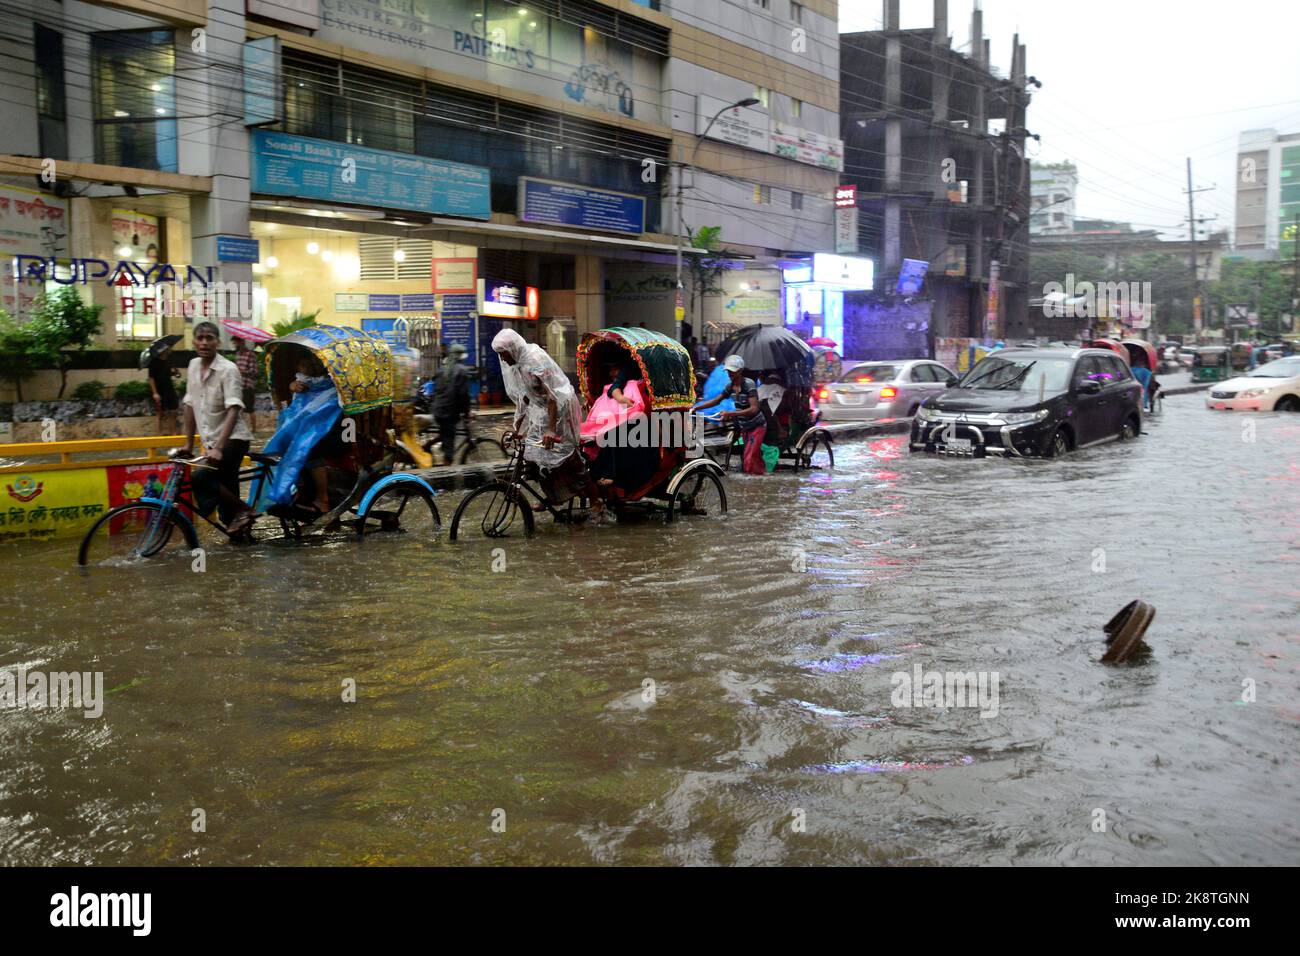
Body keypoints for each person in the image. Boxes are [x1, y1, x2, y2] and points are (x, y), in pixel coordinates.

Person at [492, 328, 609, 520]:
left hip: (562, 410)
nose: (503, 359)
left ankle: (596, 500)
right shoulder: (517, 366)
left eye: (504, 355)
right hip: (545, 411)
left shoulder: (534, 360)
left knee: (569, 459)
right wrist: (517, 429)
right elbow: (525, 399)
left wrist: (552, 430)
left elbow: (553, 396)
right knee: (533, 455)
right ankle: (554, 495)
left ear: (512, 349)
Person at [180, 321, 258, 536]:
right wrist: (188, 443)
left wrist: (219, 448)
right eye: (200, 338)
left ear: (218, 342)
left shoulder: (228, 369)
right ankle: (240, 536)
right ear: (194, 341)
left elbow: (234, 409)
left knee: (201, 477)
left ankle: (245, 510)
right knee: (226, 500)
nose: (205, 342)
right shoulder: (193, 365)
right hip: (212, 441)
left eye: (209, 338)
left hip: (233, 438)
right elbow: (189, 405)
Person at [695, 354, 767, 475]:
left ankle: (754, 485)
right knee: (752, 457)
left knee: (748, 460)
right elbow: (716, 400)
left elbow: (754, 409)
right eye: (728, 371)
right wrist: (696, 407)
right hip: (744, 426)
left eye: (732, 371)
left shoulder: (748, 385)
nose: (730, 374)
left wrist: (731, 413)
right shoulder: (730, 386)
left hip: (757, 426)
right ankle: (763, 477)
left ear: (740, 371)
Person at [432, 342, 472, 465]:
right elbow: (463, 395)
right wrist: (466, 413)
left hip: (438, 410)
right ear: (460, 356)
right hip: (449, 413)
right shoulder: (461, 371)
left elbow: (436, 389)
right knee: (449, 446)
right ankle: (446, 474)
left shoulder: (442, 369)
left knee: (445, 437)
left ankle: (441, 451)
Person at [147, 343, 179, 435]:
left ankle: (173, 433)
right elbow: (151, 378)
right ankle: (159, 435)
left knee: (174, 411)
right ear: (163, 349)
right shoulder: (154, 362)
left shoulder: (169, 360)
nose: (170, 349)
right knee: (160, 414)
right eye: (169, 347)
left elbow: (175, 374)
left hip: (169, 389)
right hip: (159, 390)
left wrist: (175, 372)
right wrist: (155, 393)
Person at [231, 335, 259, 433]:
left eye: (236, 342)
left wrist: (243, 371)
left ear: (241, 342)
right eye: (234, 343)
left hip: (248, 385)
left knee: (250, 409)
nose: (234, 345)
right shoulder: (238, 354)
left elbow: (254, 371)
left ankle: (254, 430)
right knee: (239, 408)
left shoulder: (250, 354)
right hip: (238, 384)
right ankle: (240, 428)